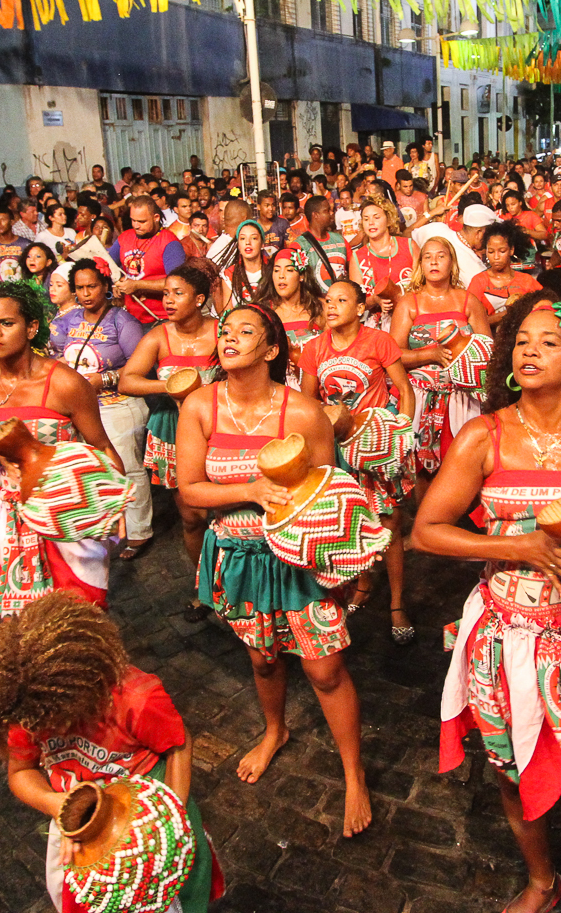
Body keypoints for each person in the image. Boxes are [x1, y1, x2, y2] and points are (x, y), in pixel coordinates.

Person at [412, 291, 561, 913]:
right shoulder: (482, 435)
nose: (531, 350)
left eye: (549, 342)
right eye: (521, 341)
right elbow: (427, 530)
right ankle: (543, 883)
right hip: (503, 638)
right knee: (513, 777)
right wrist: (518, 548)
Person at [175, 303, 372, 837]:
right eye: (225, 330)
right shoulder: (199, 406)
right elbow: (189, 490)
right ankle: (275, 730)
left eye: (245, 331)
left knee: (325, 669)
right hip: (237, 556)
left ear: (271, 349)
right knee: (263, 661)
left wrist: (345, 572)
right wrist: (250, 491)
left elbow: (333, 499)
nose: (229, 337)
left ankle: (354, 774)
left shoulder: (302, 413)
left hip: (296, 560)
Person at [0, 590, 224, 913]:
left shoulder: (135, 699)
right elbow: (21, 772)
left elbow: (179, 745)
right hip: (78, 825)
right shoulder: (27, 709)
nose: (56, 732)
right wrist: (58, 804)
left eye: (63, 720)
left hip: (147, 815)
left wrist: (169, 822)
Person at [0, 281, 123, 616]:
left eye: (6, 323)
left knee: (80, 616)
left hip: (68, 512)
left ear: (32, 328)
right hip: (8, 517)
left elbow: (102, 446)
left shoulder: (65, 383)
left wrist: (115, 505)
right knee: (27, 625)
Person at [299, 280, 415, 641]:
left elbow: (405, 392)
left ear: (361, 307)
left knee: (389, 524)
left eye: (342, 300)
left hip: (376, 448)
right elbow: (307, 405)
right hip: (337, 452)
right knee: (349, 524)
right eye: (328, 300)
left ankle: (397, 603)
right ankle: (362, 584)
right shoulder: (313, 348)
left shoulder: (379, 341)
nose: (331, 306)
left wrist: (400, 435)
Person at [48, 258, 152, 560]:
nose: (85, 293)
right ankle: (99, 525)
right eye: (79, 288)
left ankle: (138, 531)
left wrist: (103, 378)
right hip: (78, 408)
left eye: (91, 286)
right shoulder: (67, 321)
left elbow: (141, 367)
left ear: (105, 286)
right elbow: (55, 356)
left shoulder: (123, 321)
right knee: (88, 469)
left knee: (127, 468)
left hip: (117, 404)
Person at [120, 267, 218, 580]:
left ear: (200, 299)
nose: (169, 300)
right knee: (192, 518)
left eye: (178, 293)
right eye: (166, 293)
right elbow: (127, 381)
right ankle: (206, 586)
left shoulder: (221, 330)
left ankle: (239, 584)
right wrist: (170, 386)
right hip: (173, 430)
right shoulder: (159, 336)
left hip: (217, 429)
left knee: (229, 513)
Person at [391, 237, 491, 483]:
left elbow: (488, 350)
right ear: (420, 265)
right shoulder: (408, 304)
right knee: (418, 469)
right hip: (419, 396)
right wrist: (429, 354)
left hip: (462, 396)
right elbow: (393, 354)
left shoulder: (468, 301)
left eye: (441, 256)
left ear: (452, 263)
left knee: (462, 463)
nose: (434, 261)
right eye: (427, 256)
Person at [253, 245, 324, 387]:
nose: (281, 276)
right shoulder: (263, 312)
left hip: (317, 384)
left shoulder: (319, 308)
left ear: (302, 276)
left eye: (289, 270)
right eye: (276, 270)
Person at [110, 195, 186, 324]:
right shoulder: (125, 238)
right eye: (133, 220)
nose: (136, 226)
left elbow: (177, 282)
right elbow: (107, 264)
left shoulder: (169, 242)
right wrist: (116, 283)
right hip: (130, 316)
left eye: (142, 221)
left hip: (160, 317)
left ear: (156, 218)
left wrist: (137, 285)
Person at [347, 197, 414, 332]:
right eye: (366, 219)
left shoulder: (409, 246)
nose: (371, 223)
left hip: (413, 318)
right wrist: (375, 300)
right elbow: (356, 303)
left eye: (376, 217)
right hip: (379, 327)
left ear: (388, 219)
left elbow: (425, 284)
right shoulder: (358, 257)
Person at [466, 222, 541, 328]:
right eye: (491, 252)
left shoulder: (527, 281)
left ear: (511, 250)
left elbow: (546, 305)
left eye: (502, 251)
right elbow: (471, 320)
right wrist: (506, 315)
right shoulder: (479, 281)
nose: (496, 257)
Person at [214, 220, 268, 312]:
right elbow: (228, 313)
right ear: (238, 245)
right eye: (242, 239)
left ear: (262, 244)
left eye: (254, 238)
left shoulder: (273, 270)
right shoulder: (229, 275)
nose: (248, 242)